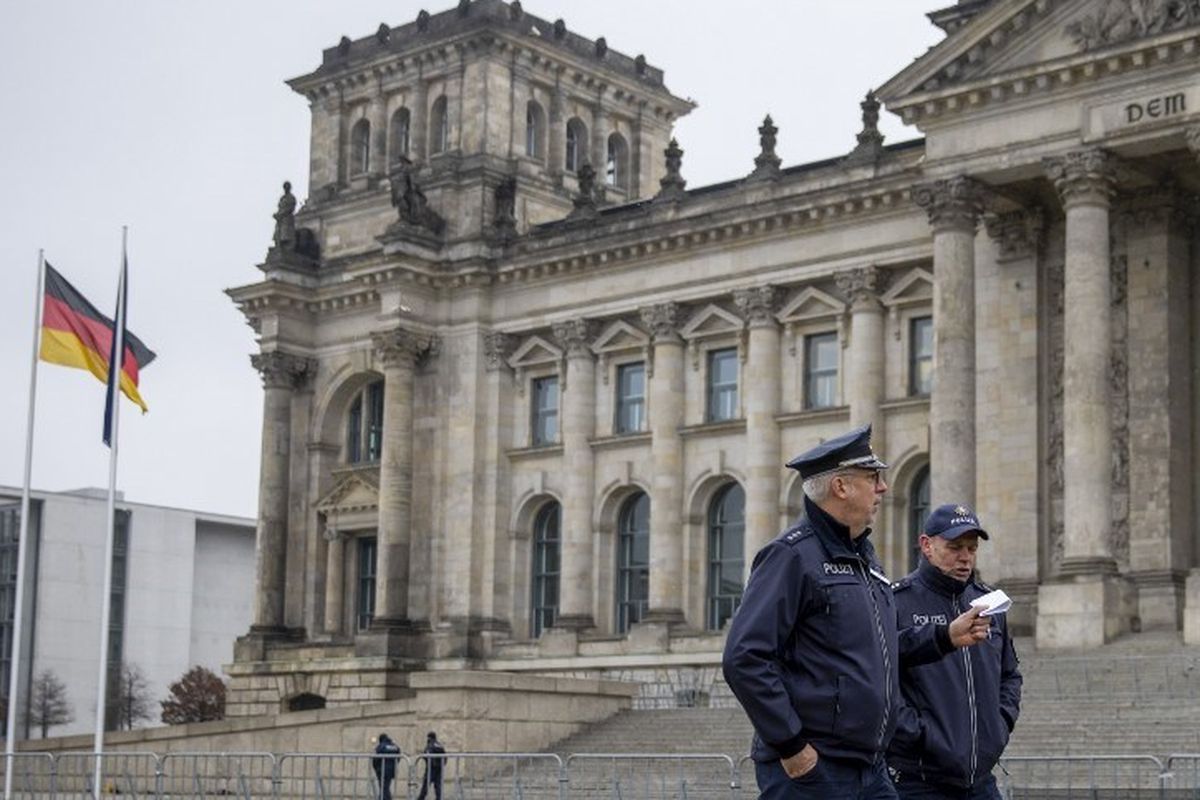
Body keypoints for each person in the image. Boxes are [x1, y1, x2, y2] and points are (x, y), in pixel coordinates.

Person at [722, 425, 992, 800]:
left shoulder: (864, 559)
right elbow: (744, 657)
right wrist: (792, 746)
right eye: (873, 477)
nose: (883, 487)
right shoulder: (791, 556)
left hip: (871, 768)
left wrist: (945, 637)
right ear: (841, 487)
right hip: (816, 771)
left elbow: (881, 650)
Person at [888, 504, 1023, 800]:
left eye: (972, 548)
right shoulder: (896, 602)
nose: (965, 557)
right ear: (927, 545)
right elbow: (881, 681)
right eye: (955, 547)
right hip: (918, 780)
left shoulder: (990, 604)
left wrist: (999, 725)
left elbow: (1010, 675)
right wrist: (921, 736)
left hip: (980, 781)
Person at [371, 732, 401, 800]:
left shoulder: (381, 746)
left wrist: (376, 769)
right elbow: (398, 758)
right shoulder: (395, 746)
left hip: (382, 770)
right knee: (385, 787)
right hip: (391, 770)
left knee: (384, 788)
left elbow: (375, 759)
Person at [417, 731, 446, 800]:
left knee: (425, 787)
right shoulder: (439, 745)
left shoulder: (430, 745)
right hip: (439, 768)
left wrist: (430, 762)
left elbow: (426, 754)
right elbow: (445, 757)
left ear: (429, 737)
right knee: (438, 787)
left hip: (431, 768)